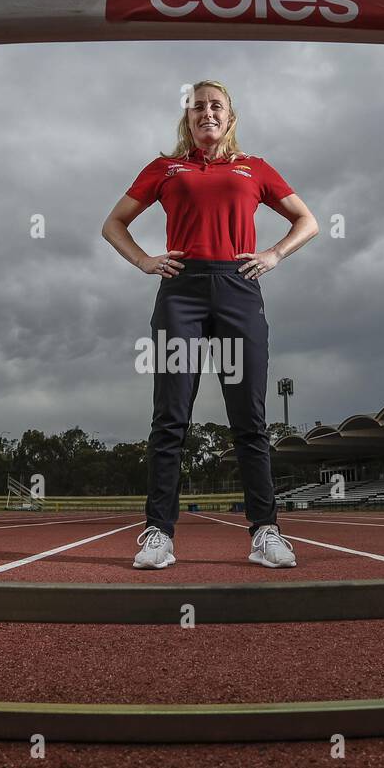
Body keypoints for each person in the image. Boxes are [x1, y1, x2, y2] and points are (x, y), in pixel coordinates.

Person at [102, 80, 318, 569]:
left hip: (239, 288)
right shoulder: (164, 168)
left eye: (216, 105)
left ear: (230, 117)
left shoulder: (254, 168)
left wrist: (275, 254)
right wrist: (143, 261)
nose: (207, 112)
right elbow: (113, 223)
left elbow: (308, 220)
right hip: (182, 292)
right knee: (171, 416)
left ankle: (265, 531)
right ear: (188, 117)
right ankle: (158, 533)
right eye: (197, 106)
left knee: (249, 419)